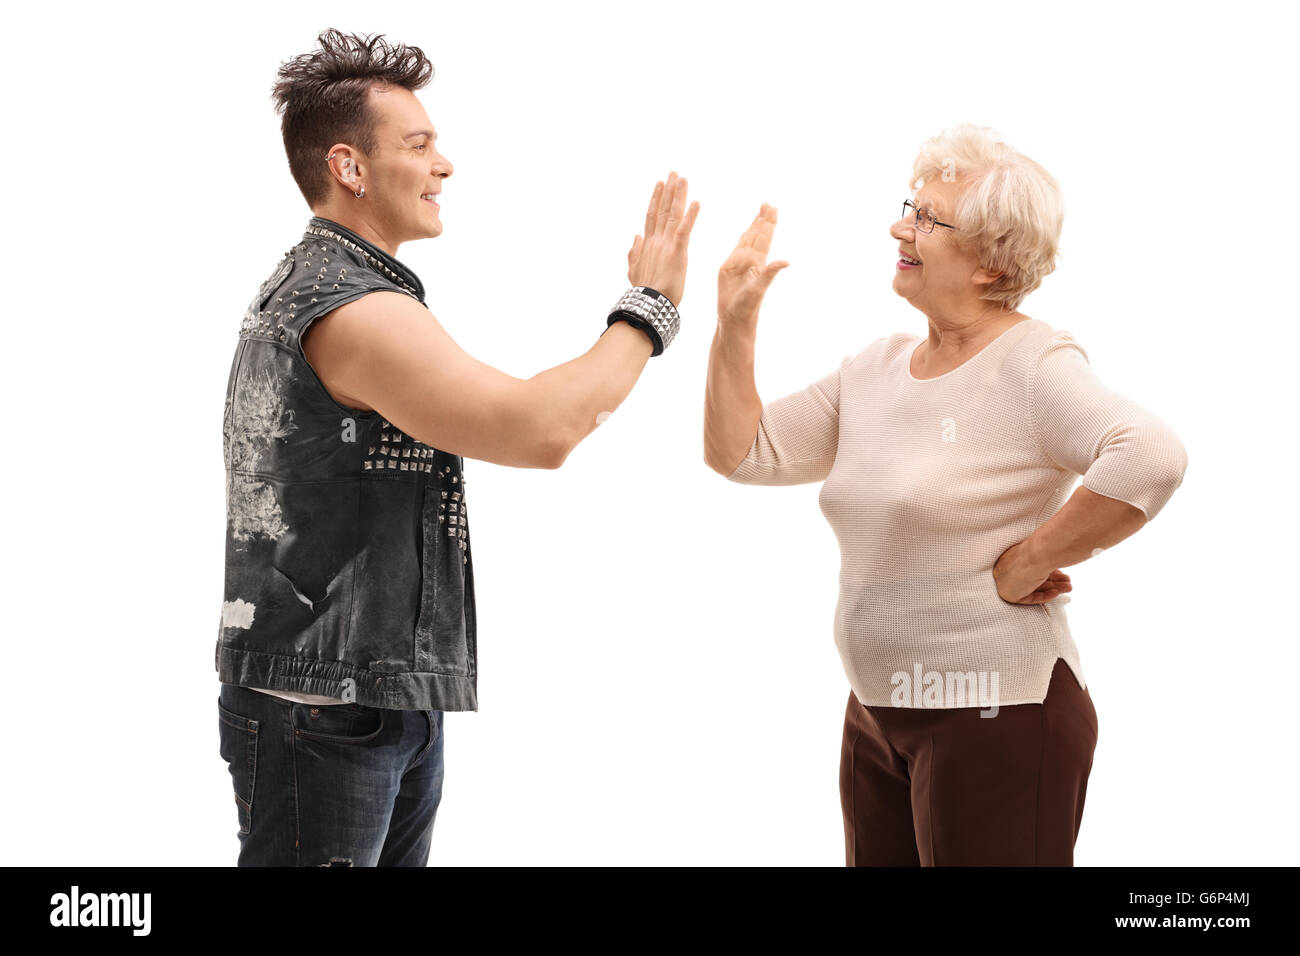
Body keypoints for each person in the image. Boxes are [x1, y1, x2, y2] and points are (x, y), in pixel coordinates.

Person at [216, 28, 699, 866]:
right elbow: (541, 428)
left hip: (364, 696)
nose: (445, 165)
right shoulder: (348, 308)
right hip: (326, 708)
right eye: (419, 144)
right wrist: (648, 309)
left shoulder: (334, 291)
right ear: (348, 167)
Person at [703, 123, 1188, 866]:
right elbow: (745, 453)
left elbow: (1150, 454)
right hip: (875, 713)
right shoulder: (876, 369)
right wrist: (735, 327)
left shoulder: (1032, 365)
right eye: (910, 205)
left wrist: (1032, 558)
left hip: (998, 716)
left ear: (992, 264)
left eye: (929, 218)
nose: (901, 225)